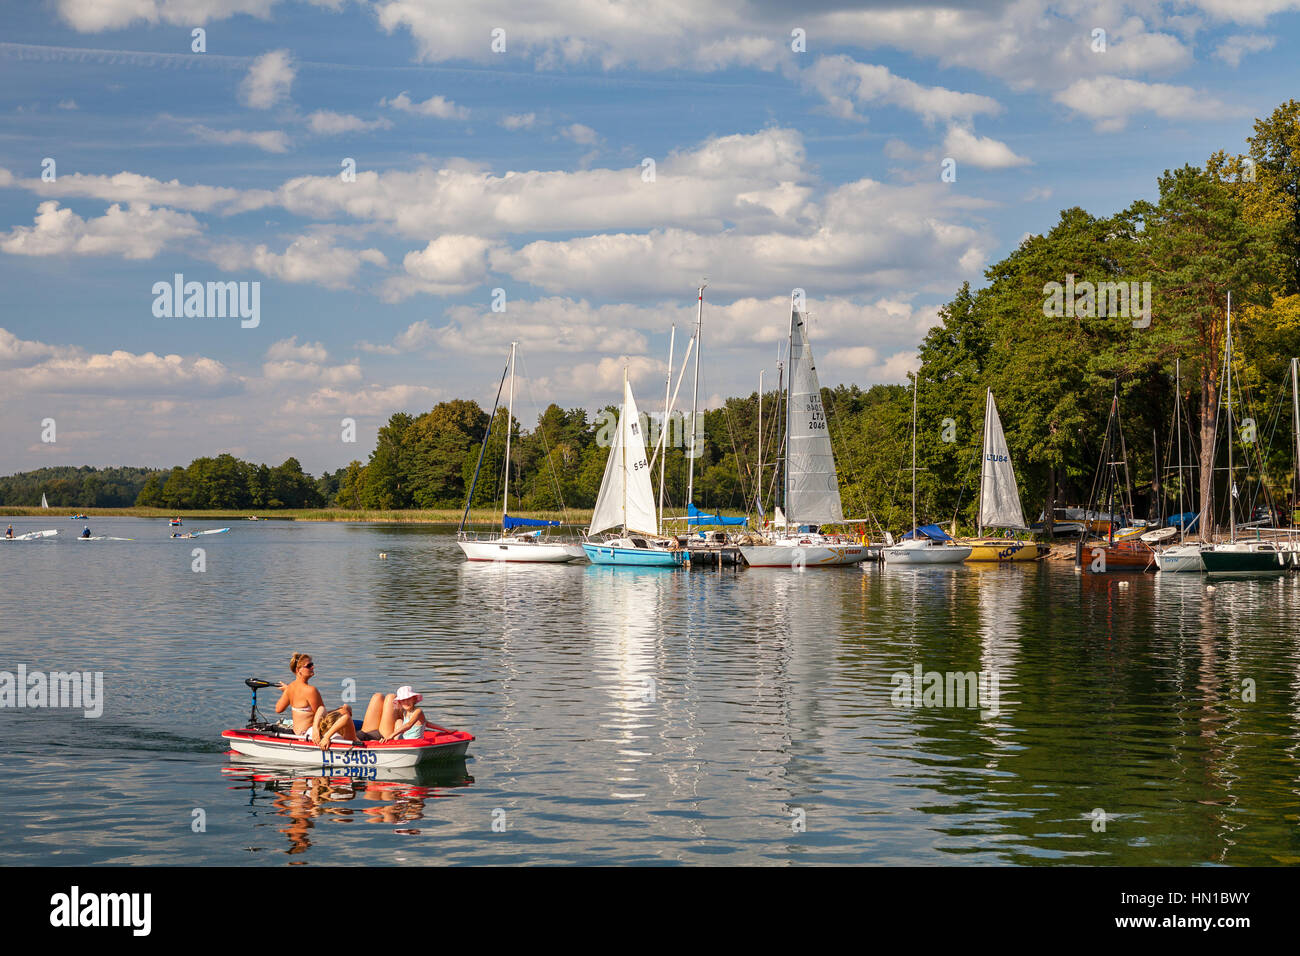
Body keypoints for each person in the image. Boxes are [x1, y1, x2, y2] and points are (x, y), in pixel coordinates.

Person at [274, 653, 355, 746]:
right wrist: (342, 710)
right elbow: (323, 716)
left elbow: (278, 709)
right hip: (309, 733)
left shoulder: (290, 688)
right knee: (345, 712)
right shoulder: (311, 690)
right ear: (298, 670)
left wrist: (286, 691)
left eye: (312, 664)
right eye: (309, 666)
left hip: (299, 733)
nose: (313, 667)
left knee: (342, 713)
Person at [358, 686, 427, 742]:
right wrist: (391, 735)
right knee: (391, 697)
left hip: (365, 734)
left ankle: (400, 714)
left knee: (378, 696)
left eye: (408, 699)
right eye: (403, 700)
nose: (406, 702)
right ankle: (400, 715)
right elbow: (410, 725)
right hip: (383, 737)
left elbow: (422, 723)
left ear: (414, 699)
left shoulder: (417, 712)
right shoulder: (415, 712)